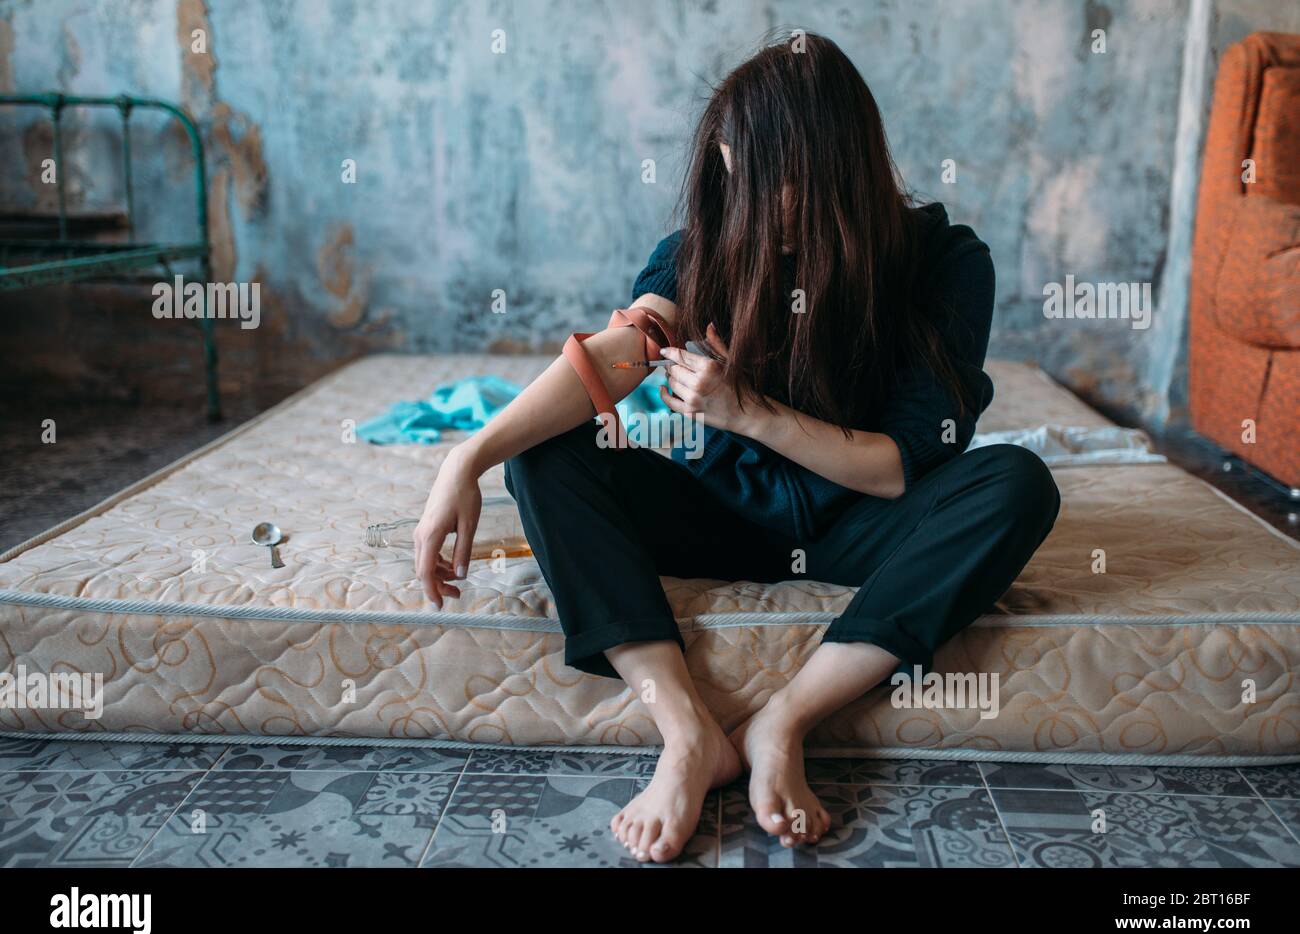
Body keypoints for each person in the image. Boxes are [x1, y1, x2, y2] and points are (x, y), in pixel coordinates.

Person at [412, 33, 1059, 863]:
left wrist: (749, 410)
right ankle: (688, 735)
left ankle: (781, 719)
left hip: (865, 520)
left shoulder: (945, 262)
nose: (739, 198)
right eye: (726, 172)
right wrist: (465, 457)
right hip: (723, 512)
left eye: (762, 176)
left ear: (834, 165)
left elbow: (899, 465)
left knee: (1016, 482)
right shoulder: (705, 247)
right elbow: (614, 356)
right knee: (546, 450)